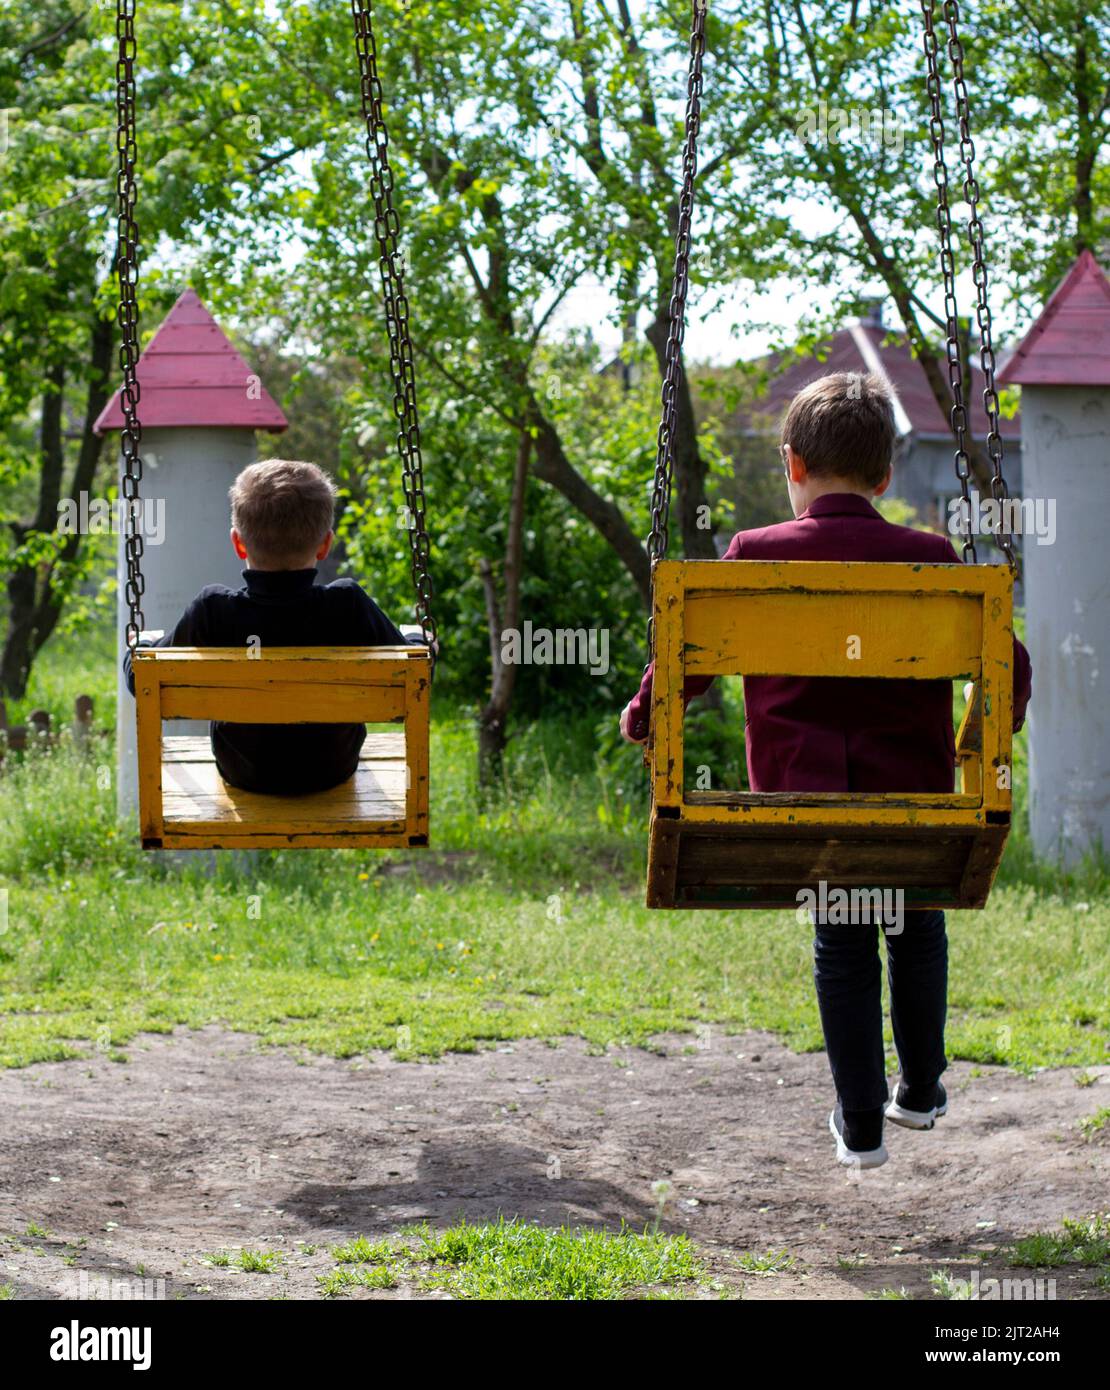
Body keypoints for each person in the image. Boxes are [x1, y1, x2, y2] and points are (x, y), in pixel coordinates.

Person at [620, 372, 1032, 1169]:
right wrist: (985, 735)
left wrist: (643, 719)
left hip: (800, 802)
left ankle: (860, 1124)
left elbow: (682, 663)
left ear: (792, 463)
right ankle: (919, 1090)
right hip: (914, 800)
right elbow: (1007, 673)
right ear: (884, 475)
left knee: (840, 937)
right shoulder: (933, 558)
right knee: (916, 918)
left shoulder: (754, 553)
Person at [124, 458, 414, 796]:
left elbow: (141, 682)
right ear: (325, 544)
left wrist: (138, 648)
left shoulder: (212, 611)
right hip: (330, 770)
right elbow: (415, 676)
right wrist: (421, 641)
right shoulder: (347, 605)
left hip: (244, 773)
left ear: (238, 543)